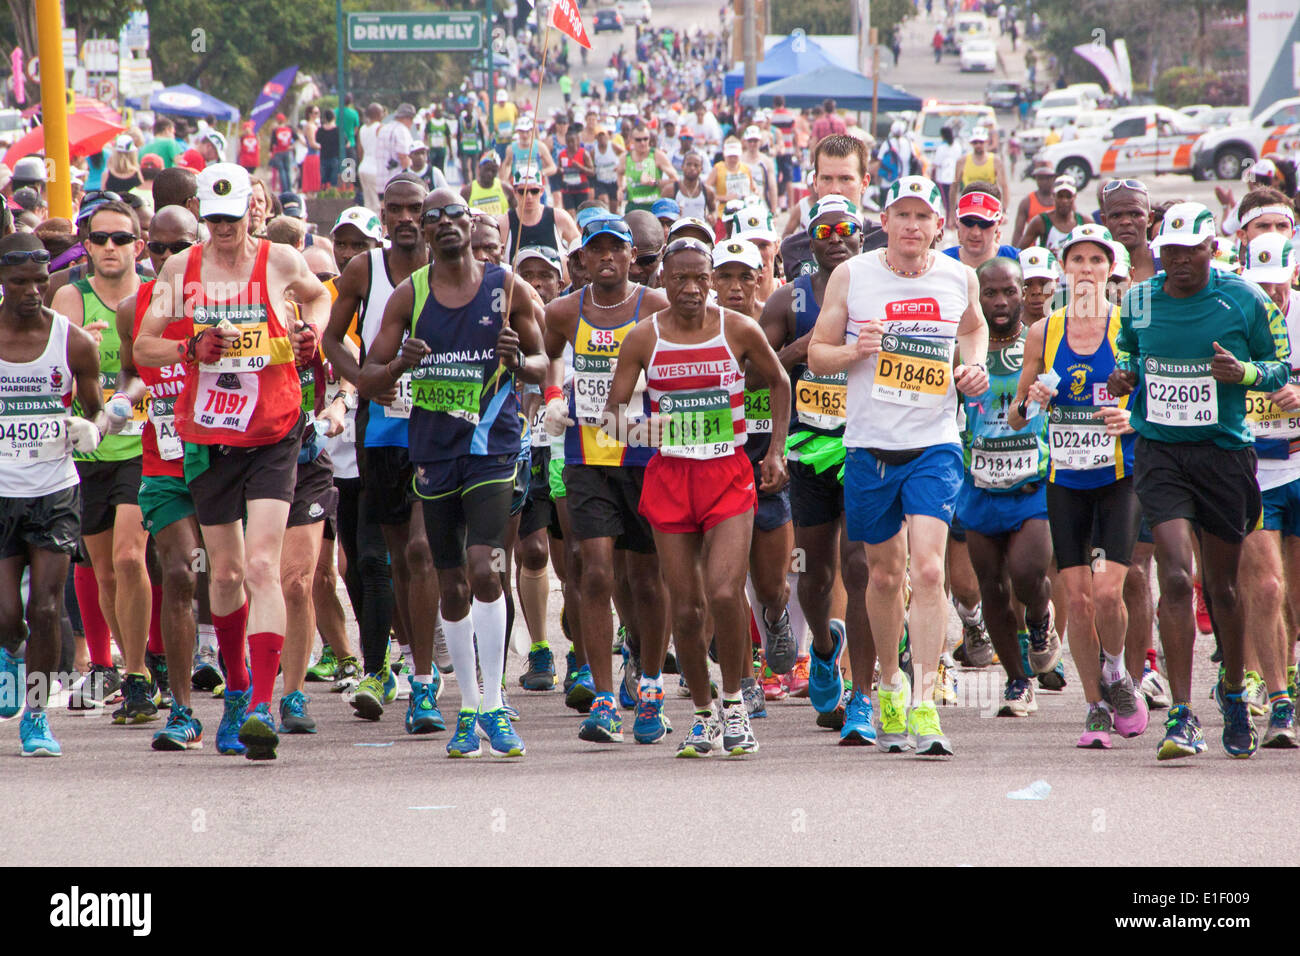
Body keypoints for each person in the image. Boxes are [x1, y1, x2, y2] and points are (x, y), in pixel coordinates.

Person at [134, 163, 330, 760]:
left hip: (273, 432)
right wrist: (190, 348)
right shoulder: (179, 269)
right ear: (201, 216)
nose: (221, 229)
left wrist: (311, 336)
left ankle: (264, 707)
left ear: (252, 211)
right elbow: (145, 345)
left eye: (231, 217)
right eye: (211, 218)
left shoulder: (278, 262)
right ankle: (239, 691)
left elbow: (321, 297)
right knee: (222, 574)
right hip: (209, 436)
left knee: (263, 568)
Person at [360, 187, 547, 758]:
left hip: (492, 447)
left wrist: (521, 359)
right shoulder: (407, 296)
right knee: (451, 584)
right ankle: (467, 707)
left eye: (451, 215)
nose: (441, 224)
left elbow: (544, 362)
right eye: (431, 216)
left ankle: (494, 703)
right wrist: (399, 364)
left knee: (486, 569)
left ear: (471, 223)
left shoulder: (506, 284)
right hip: (434, 454)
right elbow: (369, 380)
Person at [808, 176, 990, 755]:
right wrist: (855, 351)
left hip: (935, 443)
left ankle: (923, 700)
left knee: (930, 572)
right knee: (884, 576)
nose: (913, 226)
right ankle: (888, 679)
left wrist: (973, 367)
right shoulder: (853, 275)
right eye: (902, 215)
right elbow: (817, 353)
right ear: (884, 220)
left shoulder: (959, 276)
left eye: (923, 216)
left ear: (939, 224)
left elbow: (975, 327)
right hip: (868, 446)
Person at [1108, 202, 1290, 760]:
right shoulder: (1138, 299)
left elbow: (1279, 363)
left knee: (1225, 588)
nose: (1179, 262)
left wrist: (1245, 374)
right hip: (1162, 453)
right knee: (1175, 575)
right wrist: (1126, 374)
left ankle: (1234, 692)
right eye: (1169, 253)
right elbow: (1128, 353)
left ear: (1213, 249)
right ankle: (1183, 716)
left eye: (1191, 251)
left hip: (1224, 455)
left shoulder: (1246, 299)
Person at [603, 235, 790, 756]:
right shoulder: (643, 338)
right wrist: (648, 432)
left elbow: (779, 383)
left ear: (711, 281)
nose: (691, 288)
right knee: (685, 609)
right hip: (669, 477)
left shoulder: (739, 329)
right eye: (680, 278)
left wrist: (775, 452)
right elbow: (612, 418)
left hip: (728, 474)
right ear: (661, 279)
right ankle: (704, 714)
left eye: (700, 278)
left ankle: (735, 704)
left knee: (725, 592)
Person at [1009, 224, 1145, 747]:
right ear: (1064, 270)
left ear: (1110, 268)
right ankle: (1095, 707)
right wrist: (1033, 402)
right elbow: (1019, 418)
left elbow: (1154, 398)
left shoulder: (1128, 326)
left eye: (1096, 259)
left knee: (1109, 591)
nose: (1086, 268)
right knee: (1077, 597)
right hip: (1065, 478)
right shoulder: (1045, 331)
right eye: (1077, 259)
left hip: (1118, 475)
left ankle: (1115, 669)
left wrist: (1133, 419)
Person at [541, 215, 671, 743]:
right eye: (597, 250)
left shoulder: (655, 307)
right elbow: (546, 357)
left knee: (645, 579)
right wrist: (552, 397)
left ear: (632, 256)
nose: (608, 258)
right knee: (593, 573)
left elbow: (683, 363)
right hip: (586, 453)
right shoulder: (563, 310)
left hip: (643, 453)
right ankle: (601, 700)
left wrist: (665, 414)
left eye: (617, 248)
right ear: (582, 260)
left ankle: (651, 685)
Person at [323, 175, 439, 726]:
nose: (406, 217)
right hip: (382, 429)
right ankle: (400, 666)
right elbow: (330, 341)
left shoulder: (450, 268)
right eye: (395, 209)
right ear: (383, 213)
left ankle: (422, 678)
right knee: (385, 557)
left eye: (416, 208)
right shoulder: (363, 269)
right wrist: (363, 380)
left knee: (421, 551)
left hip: (438, 429)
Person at [758, 195, 869, 732]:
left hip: (869, 445)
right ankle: (824, 650)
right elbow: (754, 374)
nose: (838, 237)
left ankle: (866, 690)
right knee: (813, 572)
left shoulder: (880, 291)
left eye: (848, 227)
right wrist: (802, 349)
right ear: (810, 239)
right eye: (826, 230)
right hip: (809, 450)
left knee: (863, 566)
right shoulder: (787, 300)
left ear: (863, 234)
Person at [50, 201, 158, 721]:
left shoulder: (153, 296)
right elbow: (49, 372)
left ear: (139, 245)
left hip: (141, 444)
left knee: (129, 558)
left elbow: (149, 371)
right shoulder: (69, 296)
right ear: (86, 246)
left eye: (121, 238)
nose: (110, 247)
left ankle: (137, 675)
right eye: (99, 239)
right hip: (85, 447)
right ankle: (126, 664)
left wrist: (118, 408)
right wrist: (77, 358)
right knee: (103, 571)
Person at [0, 232, 107, 756]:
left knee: (46, 608)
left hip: (54, 490)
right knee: (7, 617)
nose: (32, 292)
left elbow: (97, 410)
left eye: (40, 282)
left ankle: (37, 717)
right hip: (0, 492)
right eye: (20, 282)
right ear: (2, 281)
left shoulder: (73, 341)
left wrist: (92, 427)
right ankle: (7, 652)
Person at [113, 205, 210, 748]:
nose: (169, 259)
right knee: (178, 573)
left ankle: (243, 689)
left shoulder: (224, 302)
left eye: (181, 248)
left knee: (226, 576)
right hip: (163, 461)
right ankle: (182, 709)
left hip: (225, 457)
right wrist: (119, 407)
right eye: (158, 249)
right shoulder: (135, 309)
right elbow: (132, 374)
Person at [959, 256, 1054, 716]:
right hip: (978, 484)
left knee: (1025, 574)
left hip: (1032, 483)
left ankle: (1039, 619)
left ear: (1024, 293)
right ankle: (1018, 681)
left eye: (1009, 291)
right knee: (991, 589)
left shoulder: (1041, 343)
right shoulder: (964, 347)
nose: (999, 302)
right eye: (989, 293)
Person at [1236, 231, 1300, 746]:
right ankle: (1274, 696)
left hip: (1298, 470)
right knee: (1267, 588)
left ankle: (1288, 674)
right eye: (1259, 288)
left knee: (1296, 595)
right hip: (1252, 475)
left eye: (1276, 287)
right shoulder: (1234, 316)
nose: (1269, 298)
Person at [502, 165, 580, 260]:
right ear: (514, 192)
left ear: (542, 191)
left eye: (534, 191)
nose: (529, 196)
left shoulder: (559, 217)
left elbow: (579, 248)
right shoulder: (504, 223)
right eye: (523, 191)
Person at [943, 184, 1020, 269]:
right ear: (957, 220)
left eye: (984, 223)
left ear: (999, 222)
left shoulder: (1017, 259)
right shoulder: (942, 263)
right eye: (968, 222)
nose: (975, 232)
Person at [1021, 175, 1087, 258]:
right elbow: (1019, 252)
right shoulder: (1041, 222)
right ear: (1053, 196)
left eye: (1068, 196)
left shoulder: (1085, 222)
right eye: (1060, 196)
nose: (1064, 201)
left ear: (1074, 197)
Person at [621, 124, 678, 214]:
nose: (642, 142)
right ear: (631, 140)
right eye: (638, 140)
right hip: (633, 205)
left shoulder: (657, 155)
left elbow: (675, 179)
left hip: (653, 205)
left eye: (645, 139)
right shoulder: (625, 157)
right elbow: (620, 173)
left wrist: (654, 182)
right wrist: (620, 188)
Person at [954, 127, 1009, 205]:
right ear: (971, 143)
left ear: (987, 142)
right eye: (975, 142)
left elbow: (1004, 186)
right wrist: (953, 211)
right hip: (969, 202)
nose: (978, 145)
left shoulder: (996, 161)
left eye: (981, 142)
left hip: (989, 202)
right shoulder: (962, 161)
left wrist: (1004, 210)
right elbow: (955, 186)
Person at [557, 127, 595, 211]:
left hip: (581, 190)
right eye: (568, 142)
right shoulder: (562, 154)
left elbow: (592, 172)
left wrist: (580, 167)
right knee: (570, 214)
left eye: (572, 141)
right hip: (567, 190)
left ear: (577, 141)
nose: (570, 144)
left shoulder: (584, 153)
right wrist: (559, 170)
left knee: (581, 213)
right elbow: (559, 169)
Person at [931, 126, 963, 224]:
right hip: (955, 178)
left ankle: (951, 222)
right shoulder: (957, 146)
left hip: (943, 179)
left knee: (947, 202)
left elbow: (936, 164)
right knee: (953, 201)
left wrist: (933, 177)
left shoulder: (941, 148)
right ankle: (956, 221)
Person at [357, 103, 384, 212]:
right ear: (377, 114)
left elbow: (360, 151)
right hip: (375, 169)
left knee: (368, 203)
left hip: (363, 167)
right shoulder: (380, 127)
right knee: (377, 204)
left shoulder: (362, 129)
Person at [269, 113, 299, 194]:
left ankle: (284, 190)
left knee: (282, 171)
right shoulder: (289, 129)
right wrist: (292, 146)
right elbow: (297, 138)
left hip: (279, 152)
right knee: (288, 170)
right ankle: (289, 189)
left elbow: (273, 143)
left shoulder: (276, 130)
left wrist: (271, 152)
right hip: (287, 151)